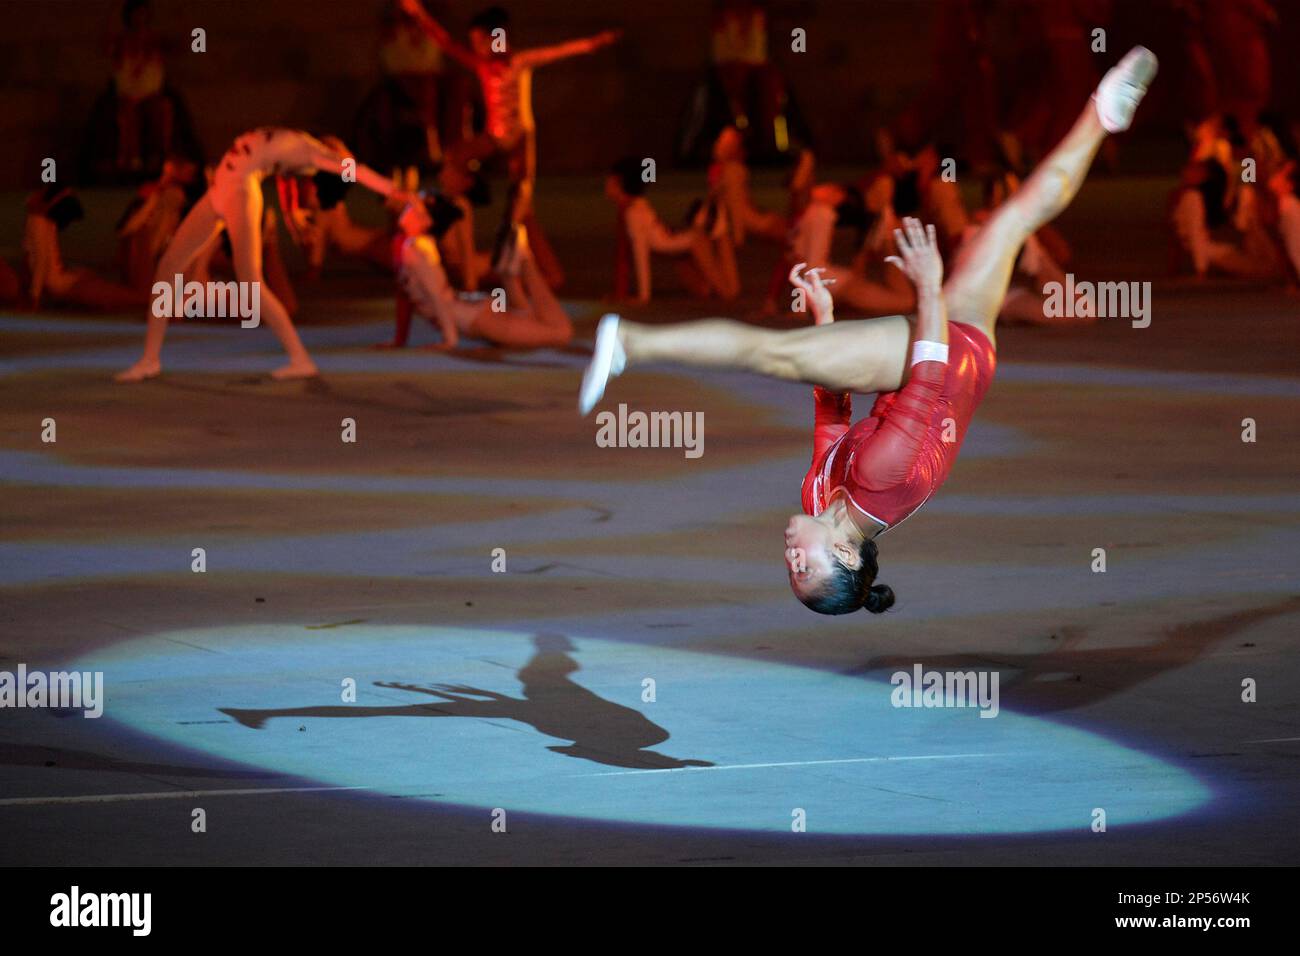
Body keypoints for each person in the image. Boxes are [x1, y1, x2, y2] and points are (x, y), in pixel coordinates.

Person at [579, 47, 1158, 615]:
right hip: (940, 365)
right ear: (844, 554)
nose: (790, 559)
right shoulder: (882, 483)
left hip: (960, 361)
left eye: (789, 573)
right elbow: (928, 384)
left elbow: (832, 416)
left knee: (1012, 221)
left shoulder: (818, 499)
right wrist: (929, 289)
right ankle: (631, 341)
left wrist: (826, 320)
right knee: (771, 353)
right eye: (806, 568)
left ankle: (1102, 112)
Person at [115, 128, 405, 382]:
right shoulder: (299, 145)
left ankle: (300, 359)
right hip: (221, 188)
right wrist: (292, 215)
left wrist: (399, 193)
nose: (341, 154)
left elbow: (360, 172)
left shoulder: (314, 154)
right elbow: (285, 180)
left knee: (251, 281)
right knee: (169, 264)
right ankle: (149, 360)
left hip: (240, 191)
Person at [399, 0, 620, 286]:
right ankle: (453, 239)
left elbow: (558, 52)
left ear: (497, 37)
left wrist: (593, 43)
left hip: (519, 139)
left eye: (481, 41)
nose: (476, 47)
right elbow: (446, 43)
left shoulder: (518, 62)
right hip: (494, 136)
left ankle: (548, 273)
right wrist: (418, 13)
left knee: (522, 205)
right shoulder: (481, 65)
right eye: (474, 42)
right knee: (453, 160)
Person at [381, 205, 571, 351]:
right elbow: (406, 297)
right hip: (474, 311)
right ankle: (511, 271)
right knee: (531, 318)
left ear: (426, 222)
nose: (409, 209)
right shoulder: (412, 247)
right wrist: (400, 339)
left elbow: (435, 296)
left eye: (416, 210)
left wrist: (450, 340)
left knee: (561, 333)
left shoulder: (416, 251)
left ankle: (523, 259)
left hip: (476, 318)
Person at [24, 186, 147, 311]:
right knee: (121, 296)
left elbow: (37, 259)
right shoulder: (40, 222)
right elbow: (41, 261)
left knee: (111, 291)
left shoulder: (42, 220)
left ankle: (148, 299)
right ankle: (151, 301)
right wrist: (34, 296)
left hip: (64, 281)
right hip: (61, 285)